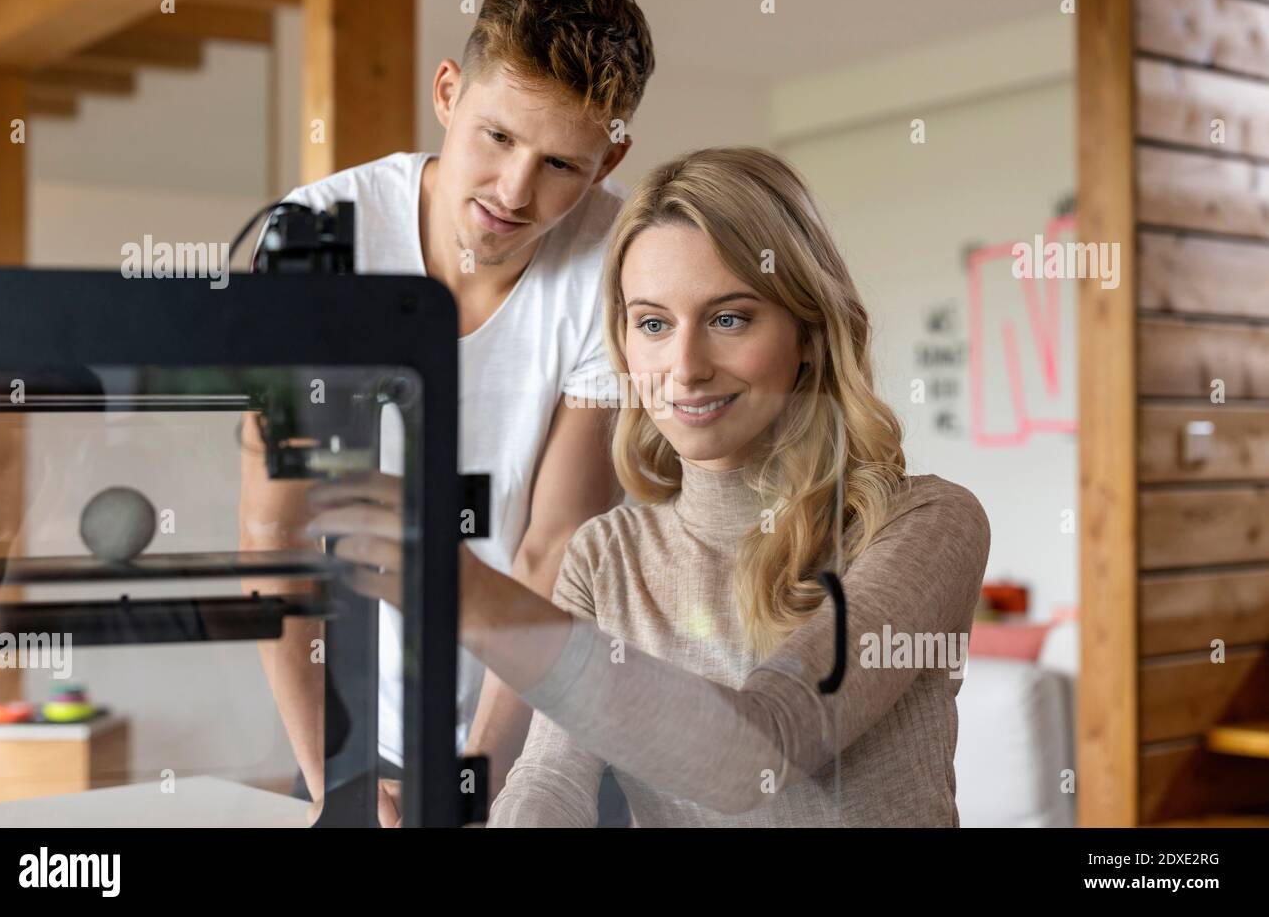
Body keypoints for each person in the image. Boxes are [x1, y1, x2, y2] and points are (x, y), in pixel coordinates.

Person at [308, 146, 992, 826]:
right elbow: (551, 781)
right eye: (654, 324)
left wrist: (475, 600)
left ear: (808, 332)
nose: (684, 367)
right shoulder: (607, 557)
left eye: (729, 318)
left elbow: (761, 750)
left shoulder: (925, 524)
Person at [243, 0, 654, 823]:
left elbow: (554, 552)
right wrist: (344, 789)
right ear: (447, 93)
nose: (513, 193)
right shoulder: (318, 237)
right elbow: (274, 535)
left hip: (548, 729)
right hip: (351, 735)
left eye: (559, 165)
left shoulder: (614, 260)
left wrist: (472, 784)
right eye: (497, 137)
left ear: (610, 154)